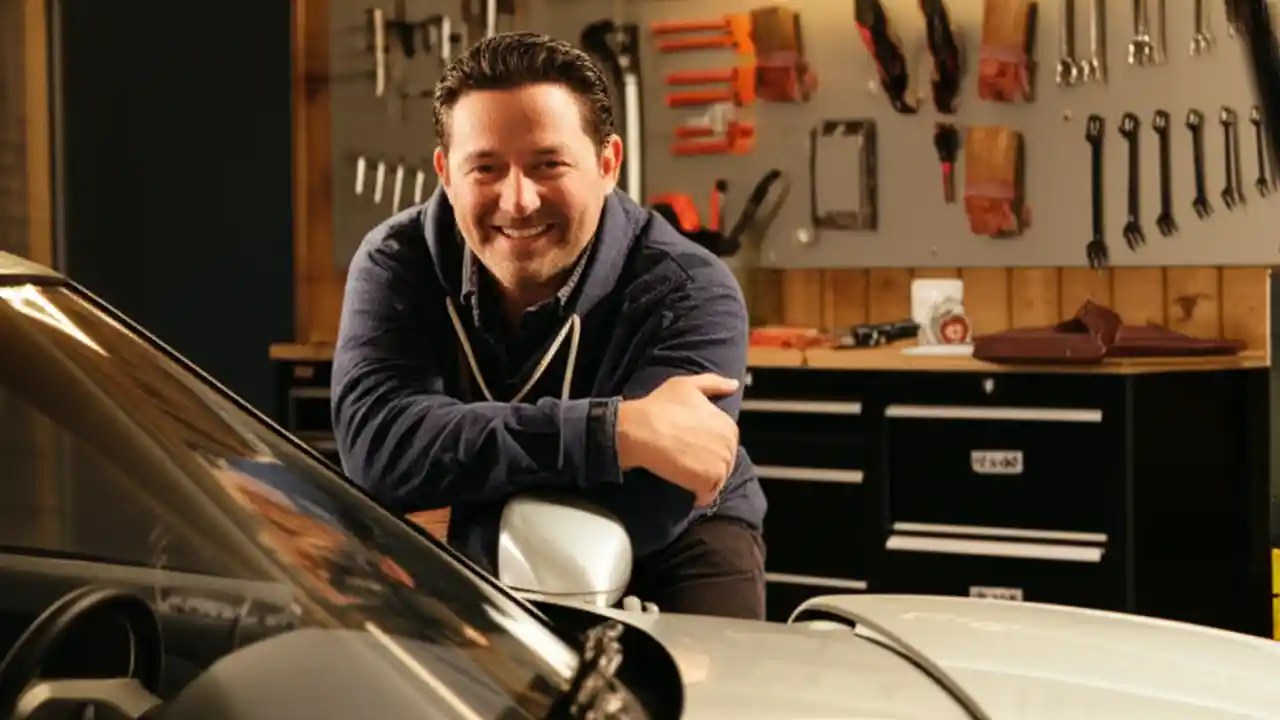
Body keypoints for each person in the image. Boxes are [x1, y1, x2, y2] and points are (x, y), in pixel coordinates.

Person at [330, 31, 768, 619]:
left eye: (548, 164)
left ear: (607, 163)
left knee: (712, 701)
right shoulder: (395, 260)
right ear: (445, 172)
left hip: (675, 541)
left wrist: (448, 502)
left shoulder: (692, 286)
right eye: (485, 167)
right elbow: (378, 448)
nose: (518, 201)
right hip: (480, 538)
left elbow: (655, 496)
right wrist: (616, 434)